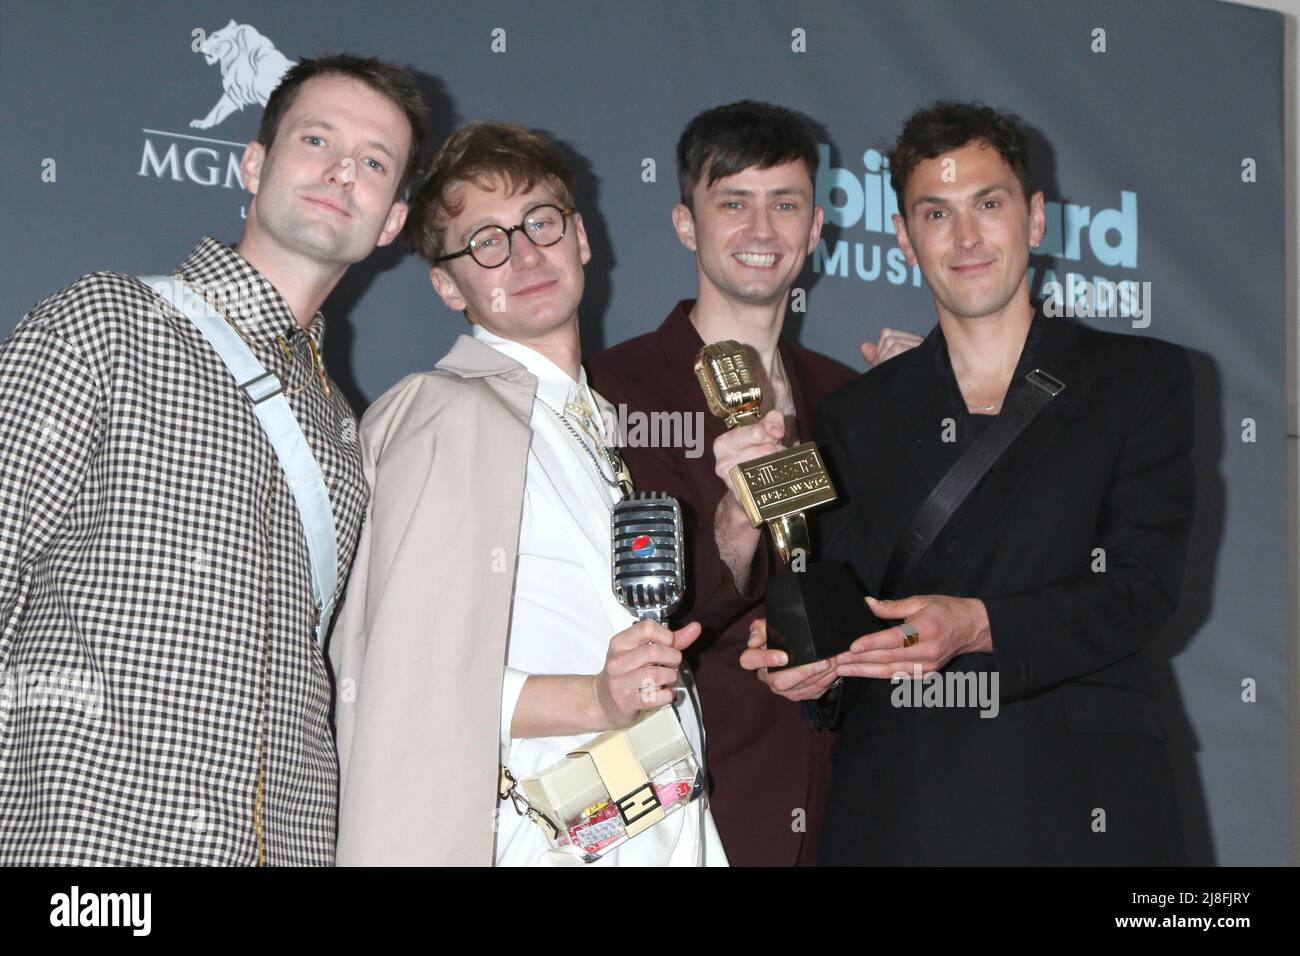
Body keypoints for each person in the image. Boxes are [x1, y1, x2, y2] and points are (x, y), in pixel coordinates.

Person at [0, 55, 425, 865]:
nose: (343, 170)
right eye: (317, 139)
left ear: (392, 222)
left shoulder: (341, 430)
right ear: (255, 163)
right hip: (91, 855)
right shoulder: (105, 323)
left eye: (375, 163)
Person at [744, 101, 1193, 865]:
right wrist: (806, 663)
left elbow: (1141, 588)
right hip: (904, 805)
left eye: (989, 204)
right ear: (905, 240)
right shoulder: (854, 416)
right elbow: (849, 609)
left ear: (1038, 218)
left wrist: (978, 624)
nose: (966, 237)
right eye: (936, 213)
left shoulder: (1136, 381)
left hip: (1086, 800)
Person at [331, 121, 726, 866]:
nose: (523, 253)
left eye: (540, 222)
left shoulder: (588, 424)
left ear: (580, 239)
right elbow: (408, 675)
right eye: (486, 240)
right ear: (448, 284)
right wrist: (597, 700)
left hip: (649, 830)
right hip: (529, 841)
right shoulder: (444, 411)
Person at [588, 102, 919, 865]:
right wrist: (738, 521)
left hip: (846, 801)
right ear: (684, 222)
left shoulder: (851, 398)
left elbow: (895, 594)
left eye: (785, 204)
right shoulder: (611, 388)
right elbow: (621, 609)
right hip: (683, 802)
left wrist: (930, 416)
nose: (762, 231)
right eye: (733, 203)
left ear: (814, 229)